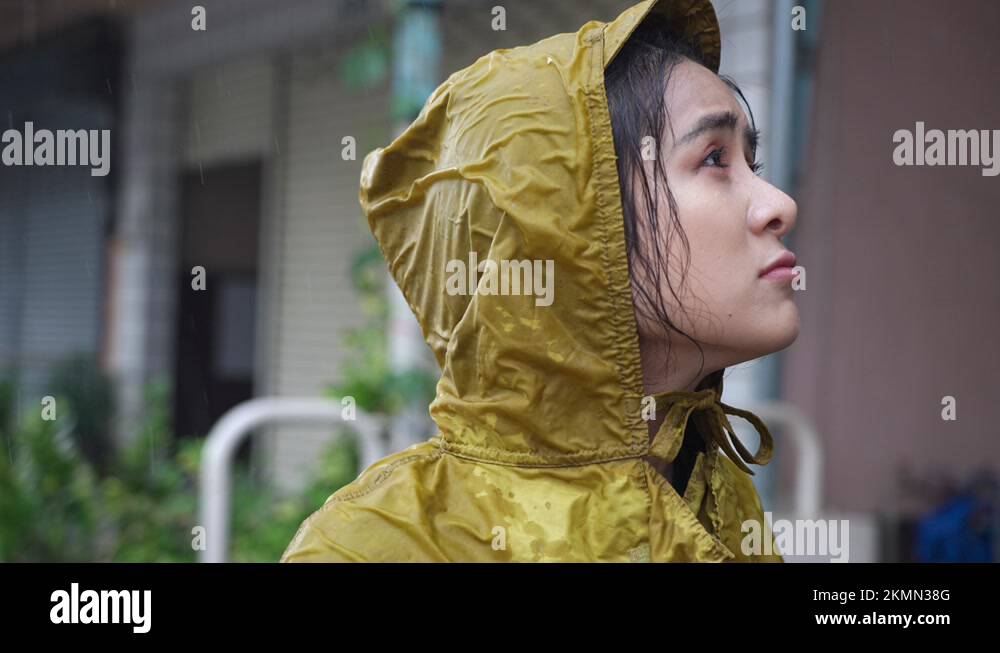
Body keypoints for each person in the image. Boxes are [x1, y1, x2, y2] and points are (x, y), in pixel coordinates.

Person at [282, 0, 796, 562]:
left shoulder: (720, 496)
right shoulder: (378, 546)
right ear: (560, 222)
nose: (779, 205)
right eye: (714, 158)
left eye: (754, 161)